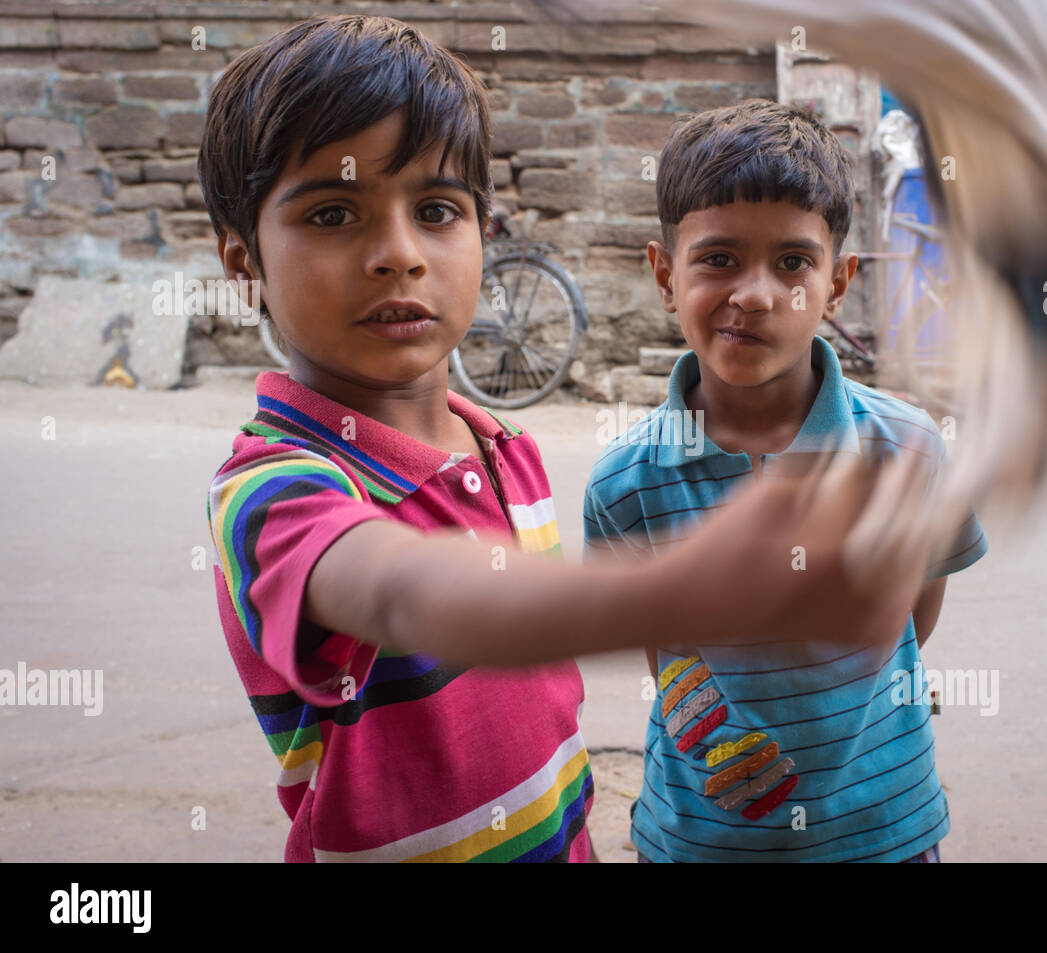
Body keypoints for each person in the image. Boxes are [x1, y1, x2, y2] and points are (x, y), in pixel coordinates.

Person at [198, 16, 921, 863]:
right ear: (244, 265)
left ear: (482, 234)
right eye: (332, 213)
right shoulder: (271, 488)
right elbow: (401, 591)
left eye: (436, 209)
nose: (398, 255)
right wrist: (675, 591)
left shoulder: (504, 449)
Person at [582, 100, 989, 862]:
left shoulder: (908, 450)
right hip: (700, 838)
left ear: (838, 285)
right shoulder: (626, 482)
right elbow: (667, 654)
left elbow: (910, 621)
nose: (757, 294)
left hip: (884, 829)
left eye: (794, 263)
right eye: (719, 259)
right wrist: (715, 722)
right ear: (665, 275)